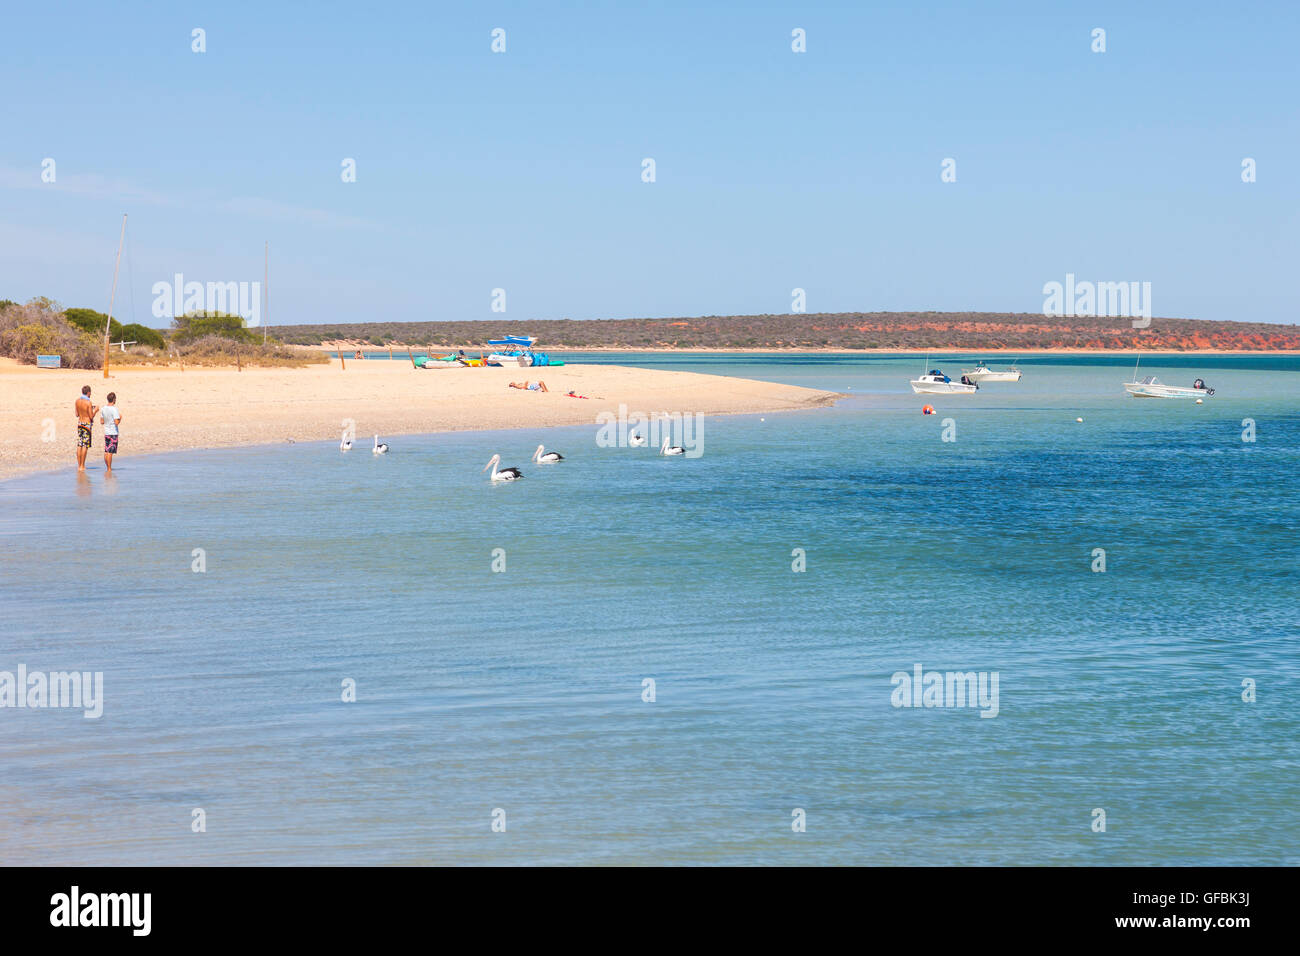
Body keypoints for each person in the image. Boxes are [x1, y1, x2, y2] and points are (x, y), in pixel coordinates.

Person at [74, 385, 98, 472]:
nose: (90, 394)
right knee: (85, 445)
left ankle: (79, 465)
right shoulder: (88, 402)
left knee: (79, 444)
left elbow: (77, 414)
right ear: (88, 392)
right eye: (90, 393)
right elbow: (91, 416)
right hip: (87, 424)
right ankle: (82, 465)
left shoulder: (77, 401)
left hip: (80, 423)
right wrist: (96, 410)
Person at [100, 392, 122, 475]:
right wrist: (120, 418)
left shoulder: (103, 408)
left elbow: (101, 421)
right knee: (110, 452)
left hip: (106, 431)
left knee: (107, 450)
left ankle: (108, 468)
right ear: (114, 399)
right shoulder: (114, 409)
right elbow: (116, 422)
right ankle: (109, 469)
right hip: (113, 432)